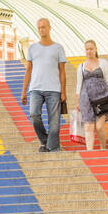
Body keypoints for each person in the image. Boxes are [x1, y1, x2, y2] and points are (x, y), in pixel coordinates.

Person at [20, 17, 67, 151]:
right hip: (35, 89)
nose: (41, 30)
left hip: (54, 89)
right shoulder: (32, 48)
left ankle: (51, 148)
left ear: (49, 28)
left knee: (54, 122)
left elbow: (62, 72)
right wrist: (24, 91)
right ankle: (46, 142)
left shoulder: (58, 48)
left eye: (44, 27)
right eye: (39, 27)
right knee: (34, 115)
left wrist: (63, 92)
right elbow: (28, 70)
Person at [76, 40, 108, 150]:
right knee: (88, 127)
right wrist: (78, 101)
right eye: (87, 49)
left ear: (96, 49)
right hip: (86, 99)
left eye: (91, 49)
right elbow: (79, 85)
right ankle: (90, 153)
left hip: (102, 97)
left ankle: (103, 148)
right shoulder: (81, 67)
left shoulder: (103, 63)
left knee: (99, 127)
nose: (89, 51)